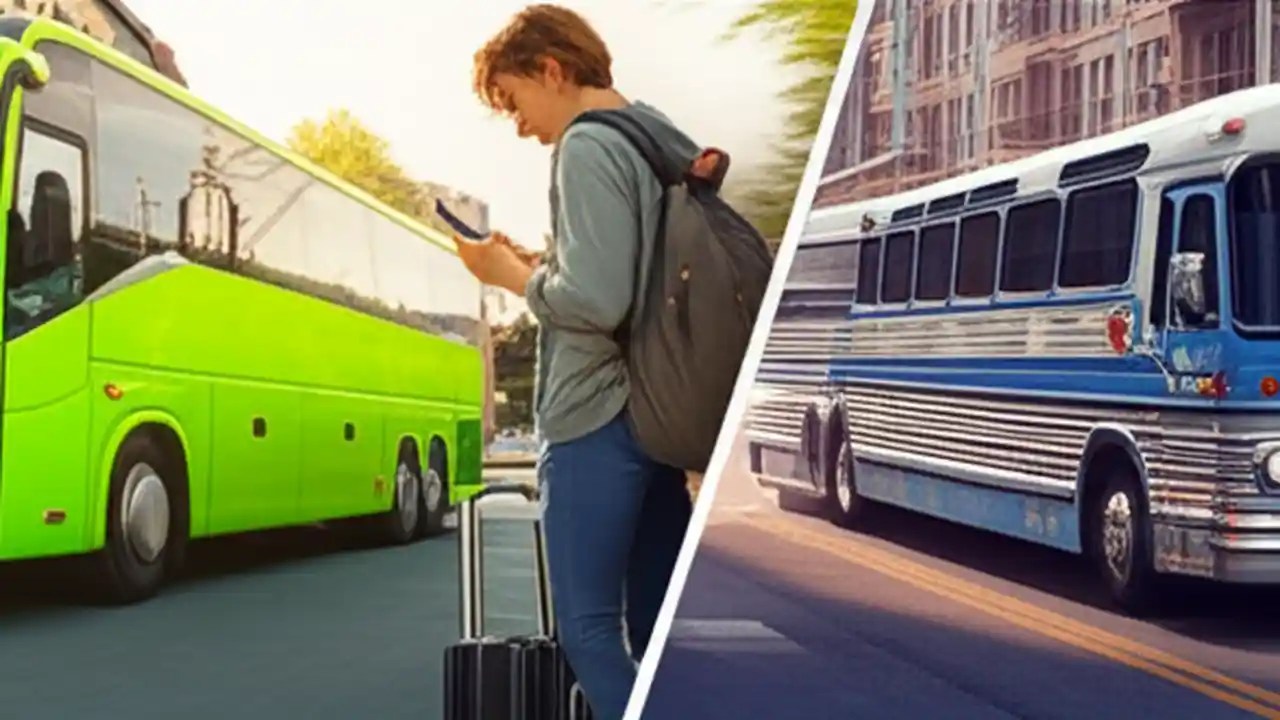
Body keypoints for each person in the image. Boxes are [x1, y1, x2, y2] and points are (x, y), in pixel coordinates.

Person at [454, 4, 703, 718]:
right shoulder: (655, 133)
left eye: (515, 100)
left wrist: (507, 277)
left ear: (552, 70)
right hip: (660, 410)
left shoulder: (587, 146)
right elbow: (625, 277)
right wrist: (546, 264)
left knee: (590, 631)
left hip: (596, 415)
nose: (521, 125)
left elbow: (595, 302)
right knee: (658, 627)